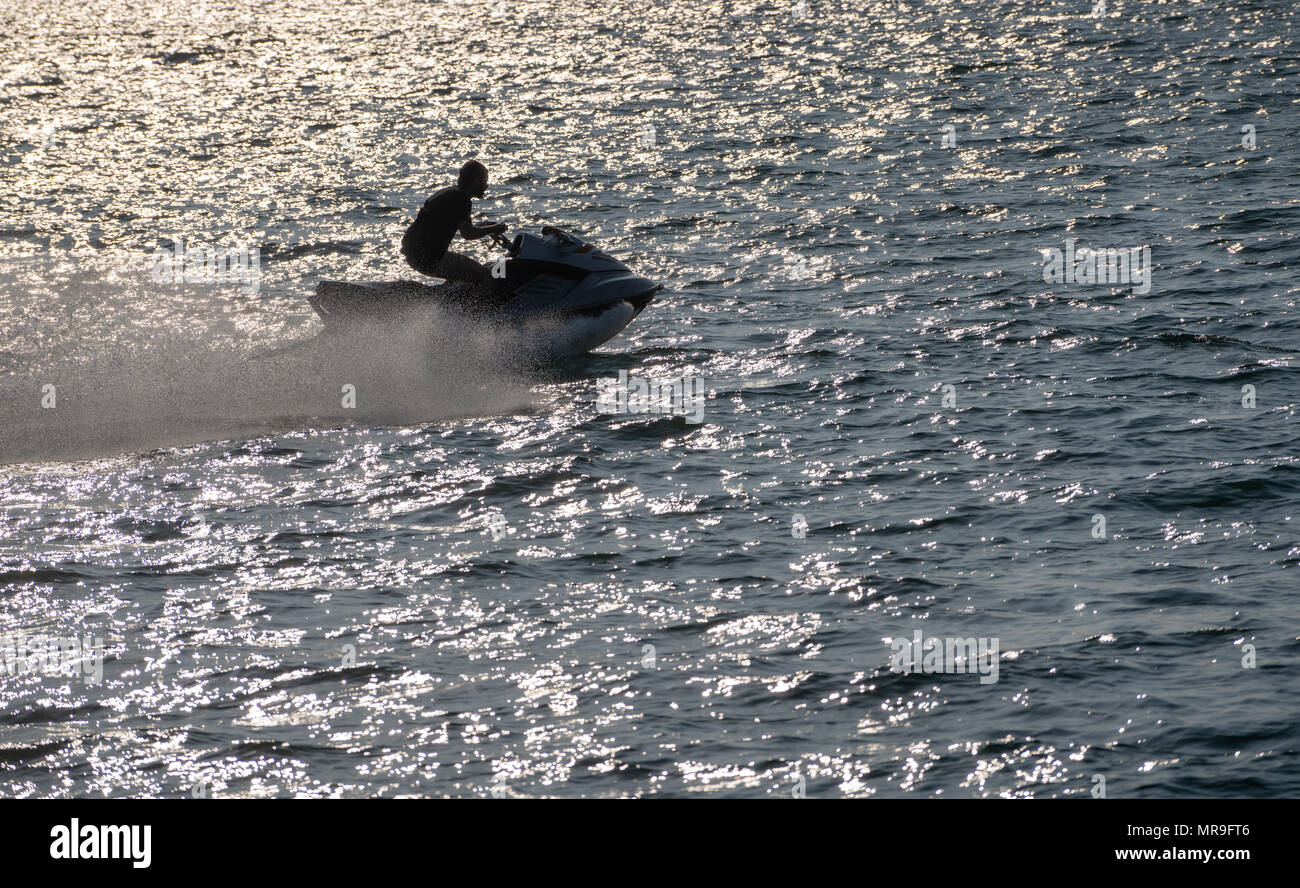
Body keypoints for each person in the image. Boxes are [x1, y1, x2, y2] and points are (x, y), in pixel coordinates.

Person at [400, 160, 508, 283]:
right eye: (485, 181)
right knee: (487, 275)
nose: (486, 186)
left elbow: (464, 227)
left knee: (464, 272)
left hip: (416, 254)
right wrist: (494, 228)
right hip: (429, 258)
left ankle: (452, 298)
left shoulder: (451, 193)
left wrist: (487, 228)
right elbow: (467, 233)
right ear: (475, 181)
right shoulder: (461, 200)